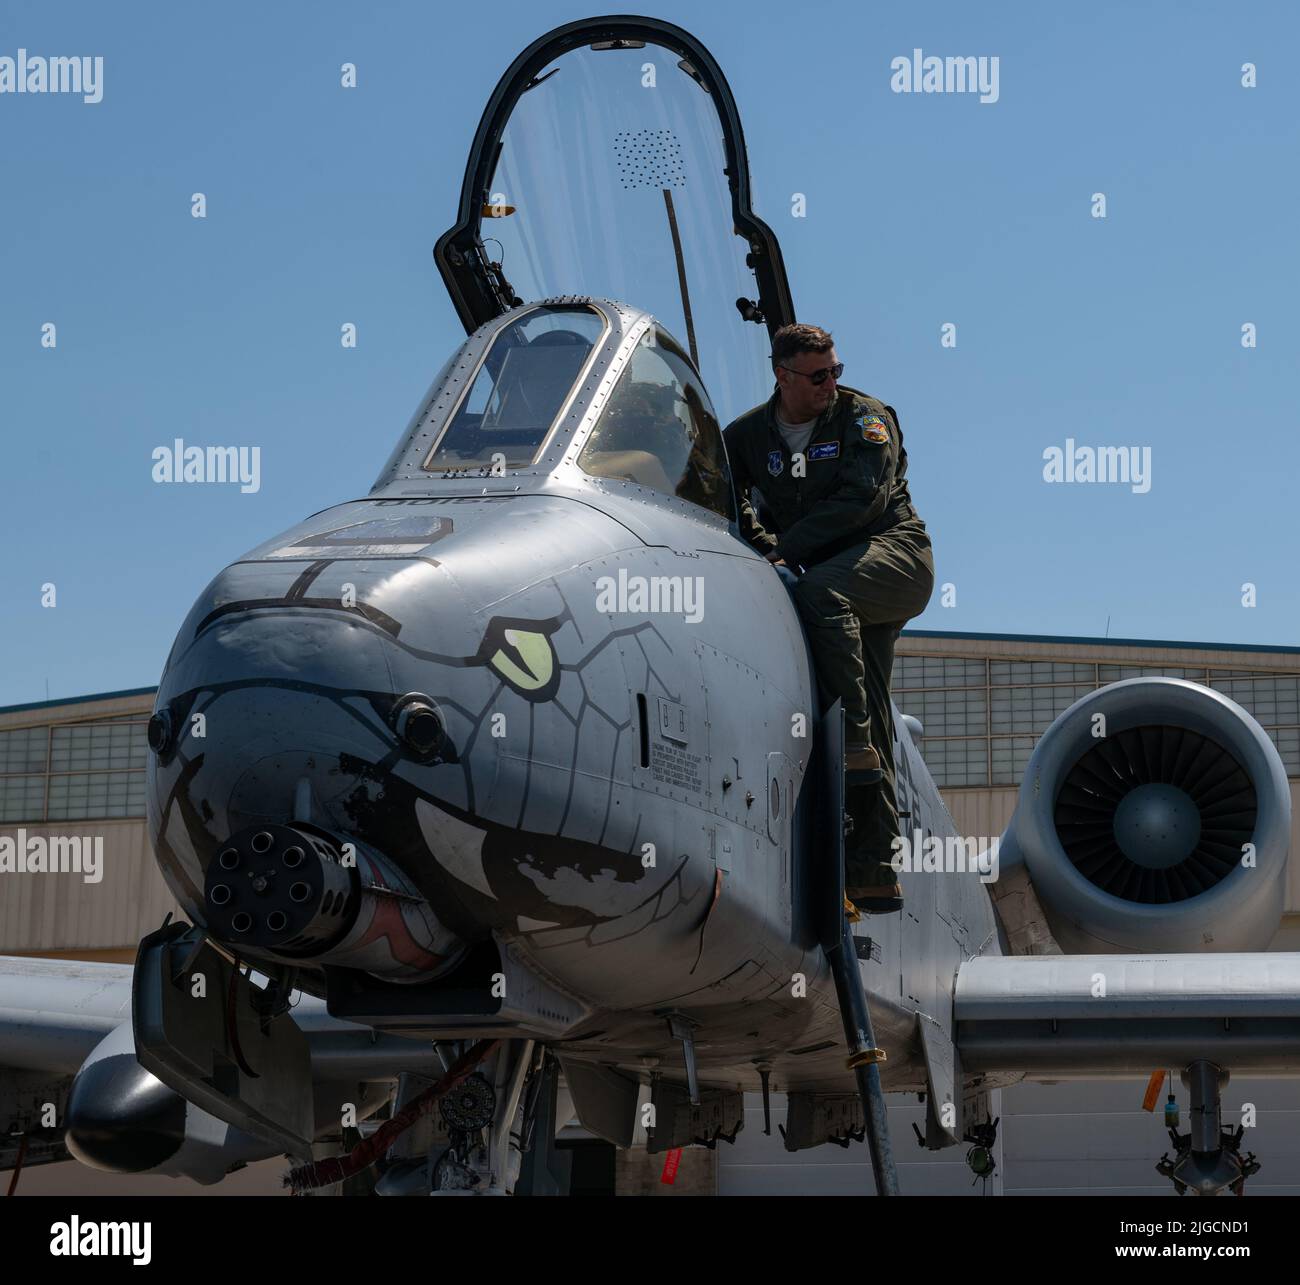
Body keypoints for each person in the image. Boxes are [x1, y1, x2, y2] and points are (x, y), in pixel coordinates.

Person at [723, 324, 934, 913]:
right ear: (782, 376)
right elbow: (735, 503)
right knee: (863, 683)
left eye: (835, 371)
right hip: (826, 569)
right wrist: (769, 547)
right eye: (818, 375)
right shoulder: (744, 437)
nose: (830, 384)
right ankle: (871, 870)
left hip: (894, 555)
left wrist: (784, 550)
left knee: (818, 597)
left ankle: (853, 742)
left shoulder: (865, 418)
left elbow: (863, 500)